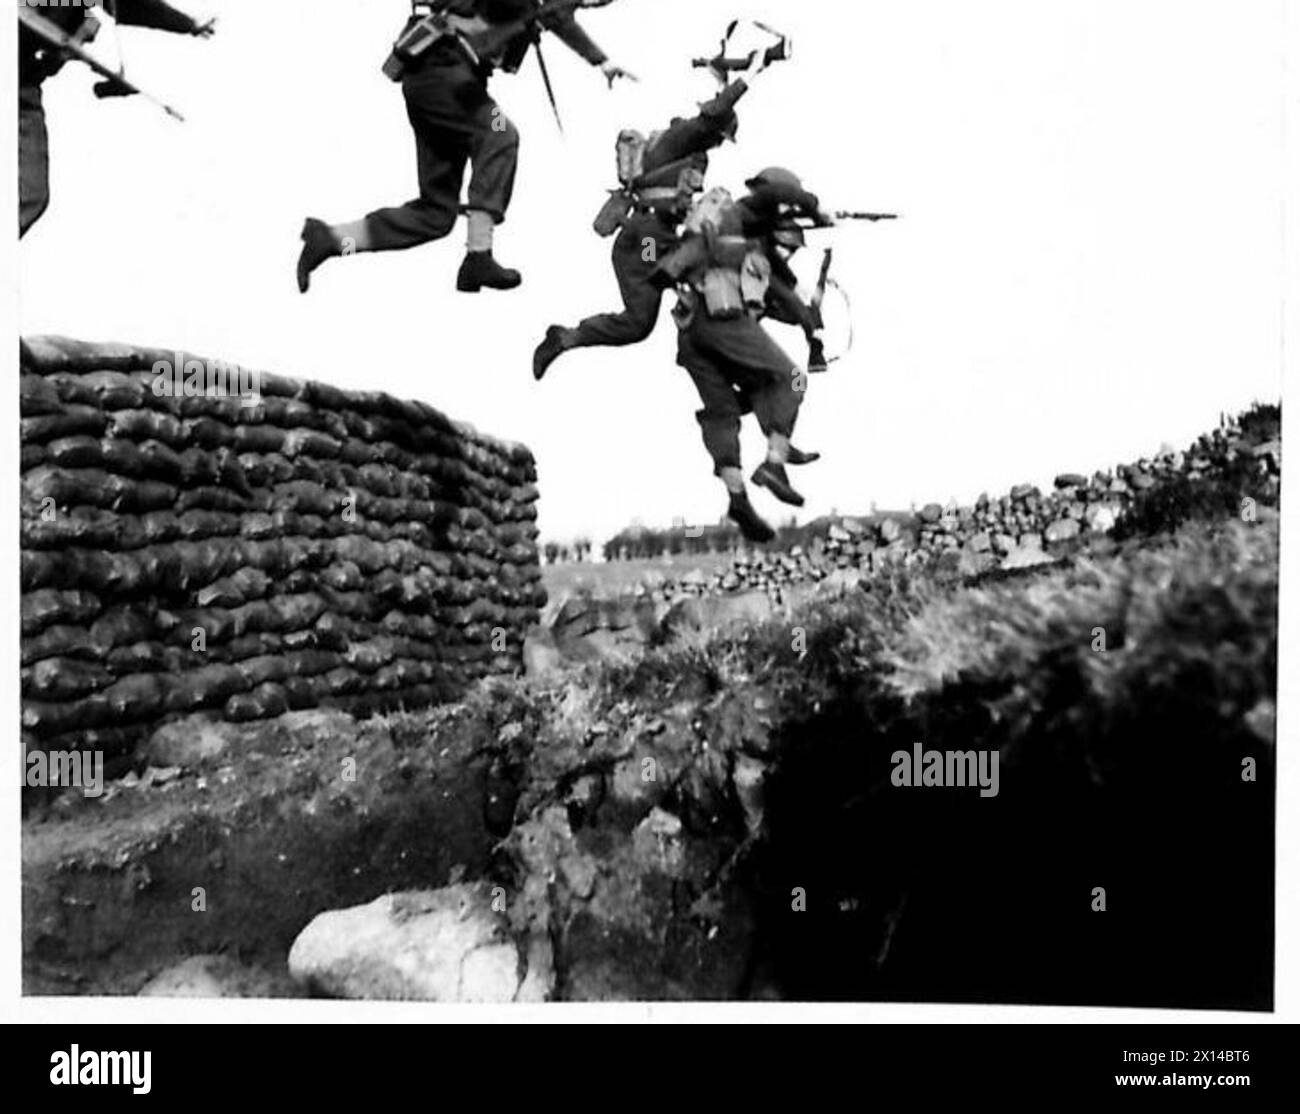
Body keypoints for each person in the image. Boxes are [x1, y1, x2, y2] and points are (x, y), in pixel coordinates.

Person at [296, 0, 633, 295]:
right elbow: (543, 13)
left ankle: (334, 239)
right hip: (445, 74)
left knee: (436, 215)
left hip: (438, 86)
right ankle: (479, 256)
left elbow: (556, 16)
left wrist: (601, 61)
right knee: (501, 133)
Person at [531, 49, 773, 380]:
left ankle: (567, 338)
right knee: (701, 274)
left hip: (648, 235)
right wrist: (754, 72)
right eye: (719, 137)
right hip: (646, 236)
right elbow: (716, 112)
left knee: (639, 323)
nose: (718, 143)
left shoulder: (679, 150)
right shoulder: (682, 139)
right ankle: (721, 357)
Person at [652, 186, 822, 544]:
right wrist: (811, 323)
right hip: (723, 325)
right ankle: (774, 463)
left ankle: (738, 499)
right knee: (792, 379)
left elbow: (773, 303)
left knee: (722, 412)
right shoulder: (749, 244)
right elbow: (784, 296)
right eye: (787, 247)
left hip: (691, 333)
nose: (787, 255)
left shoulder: (719, 247)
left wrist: (804, 313)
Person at [19, 0, 214, 238]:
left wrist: (188, 25)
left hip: (23, 91)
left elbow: (135, 6)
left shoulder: (84, 14)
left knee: (31, 194)